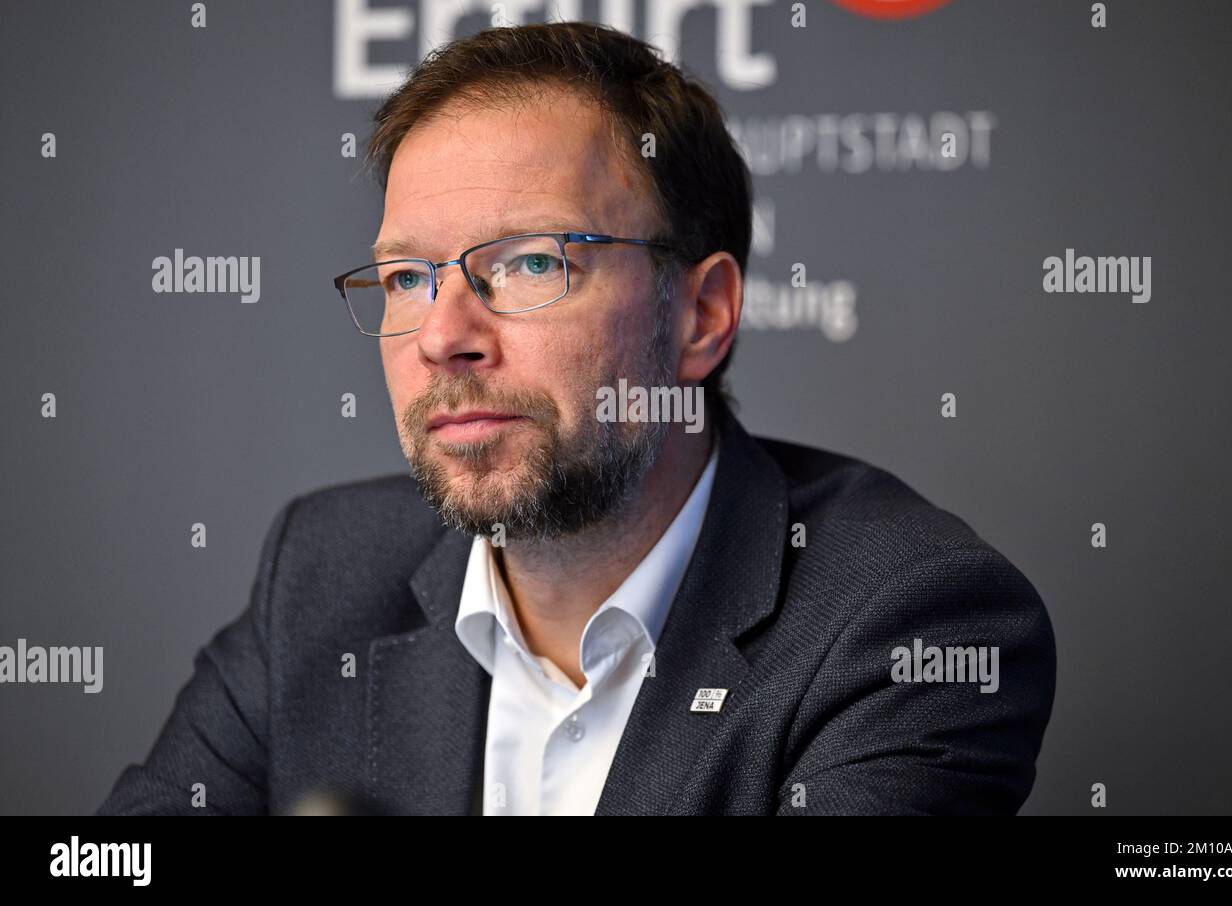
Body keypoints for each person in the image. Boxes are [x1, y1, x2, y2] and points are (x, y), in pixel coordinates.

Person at [97, 21, 1054, 816]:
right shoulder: (322, 572)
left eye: (530, 263)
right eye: (405, 279)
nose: (442, 337)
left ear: (701, 315)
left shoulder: (904, 621)